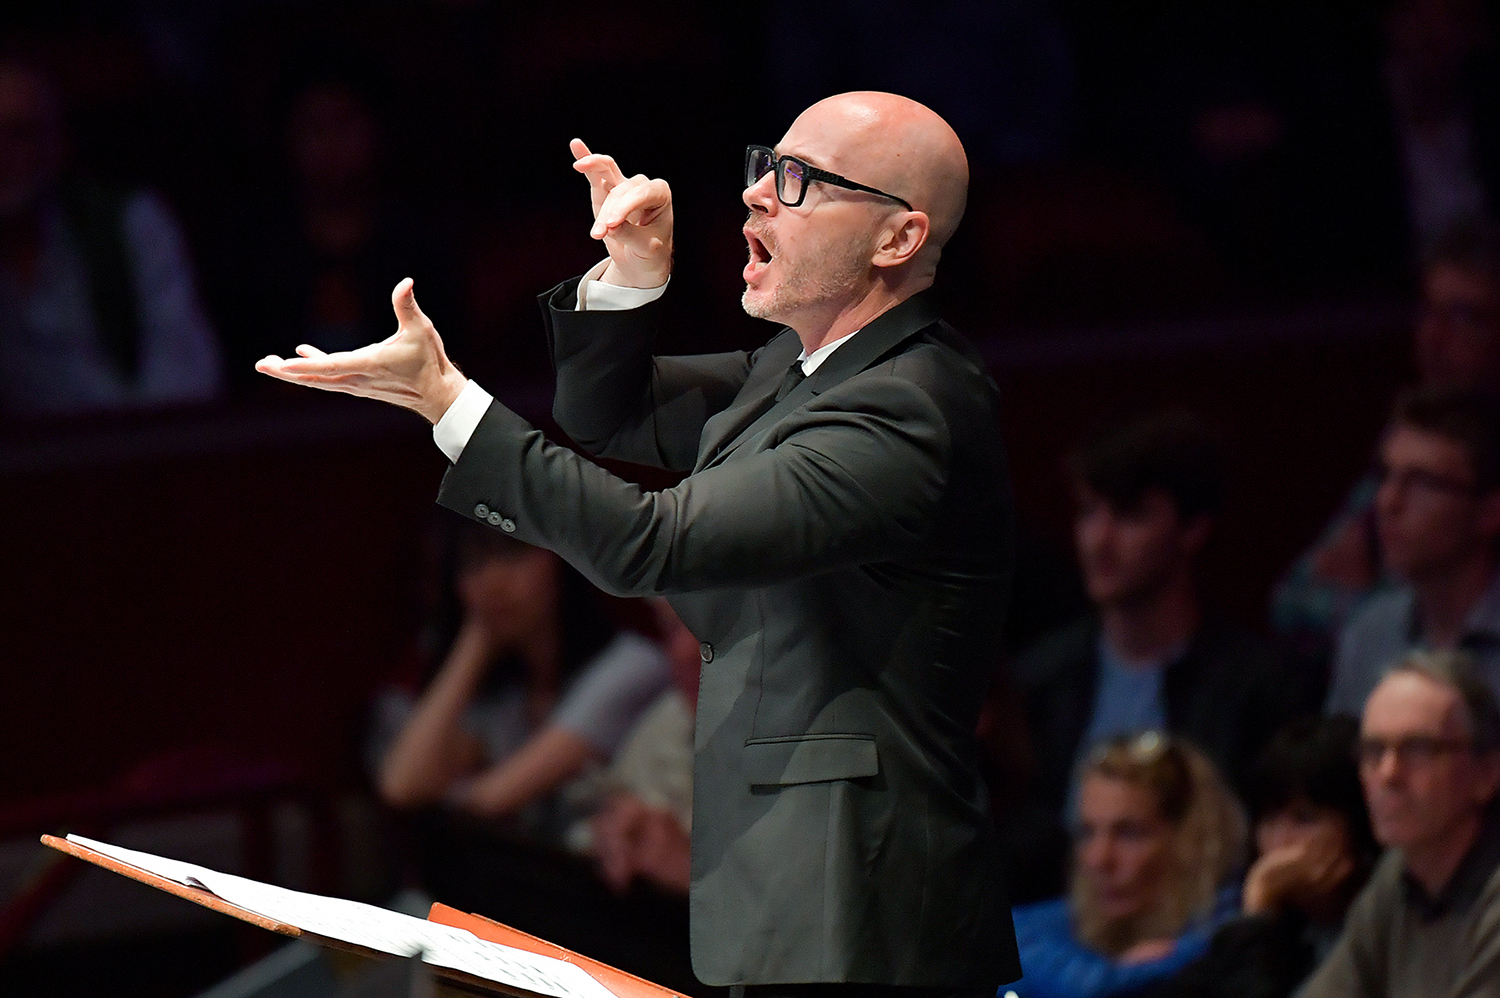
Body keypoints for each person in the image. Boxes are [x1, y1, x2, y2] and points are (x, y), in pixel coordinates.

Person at [257, 91, 1020, 994]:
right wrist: (630, 276)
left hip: (870, 912)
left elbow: (652, 545)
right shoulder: (801, 371)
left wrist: (445, 401)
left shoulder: (905, 411)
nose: (758, 197)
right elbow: (607, 414)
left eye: (802, 180)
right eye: (764, 167)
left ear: (897, 240)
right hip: (805, 906)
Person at [1010, 411, 1301, 900]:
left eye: (1129, 515)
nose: (1099, 540)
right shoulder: (1042, 681)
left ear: (1192, 530)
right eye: (1088, 512)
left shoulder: (1261, 687)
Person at [1272, 218, 1500, 677]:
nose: (1432, 338)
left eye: (1462, 317)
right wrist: (1372, 612)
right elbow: (1292, 602)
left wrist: (1363, 599)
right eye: (1427, 313)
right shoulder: (1410, 440)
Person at [370, 524, 668, 844]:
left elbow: (489, 800)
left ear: (562, 557)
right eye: (473, 564)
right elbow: (401, 785)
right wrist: (476, 639)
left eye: (512, 554)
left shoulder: (632, 667)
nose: (492, 582)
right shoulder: (509, 691)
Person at [0, 52, 222, 417]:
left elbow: (185, 379)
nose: (2, 156)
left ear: (56, 145)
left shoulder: (128, 223)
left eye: (19, 135)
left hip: (125, 454)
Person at [1296, 650, 1500, 997]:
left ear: (1487, 773)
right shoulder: (1397, 875)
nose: (1389, 773)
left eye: (1419, 749)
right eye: (1373, 751)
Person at [1007, 731, 1246, 998]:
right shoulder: (1036, 930)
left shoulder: (1225, 932)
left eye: (1129, 833)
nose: (1099, 859)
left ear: (1189, 840)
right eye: (1087, 832)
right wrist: (1132, 973)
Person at [1162, 716, 1378, 998]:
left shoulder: (1382, 928)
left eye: (1304, 818)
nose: (1280, 841)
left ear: (1360, 824)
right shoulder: (1264, 928)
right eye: (1269, 820)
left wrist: (1260, 905)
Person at [1324, 386, 1500, 714]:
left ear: (1489, 512)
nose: (1388, 502)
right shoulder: (1369, 635)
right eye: (1386, 476)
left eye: (1420, 482)